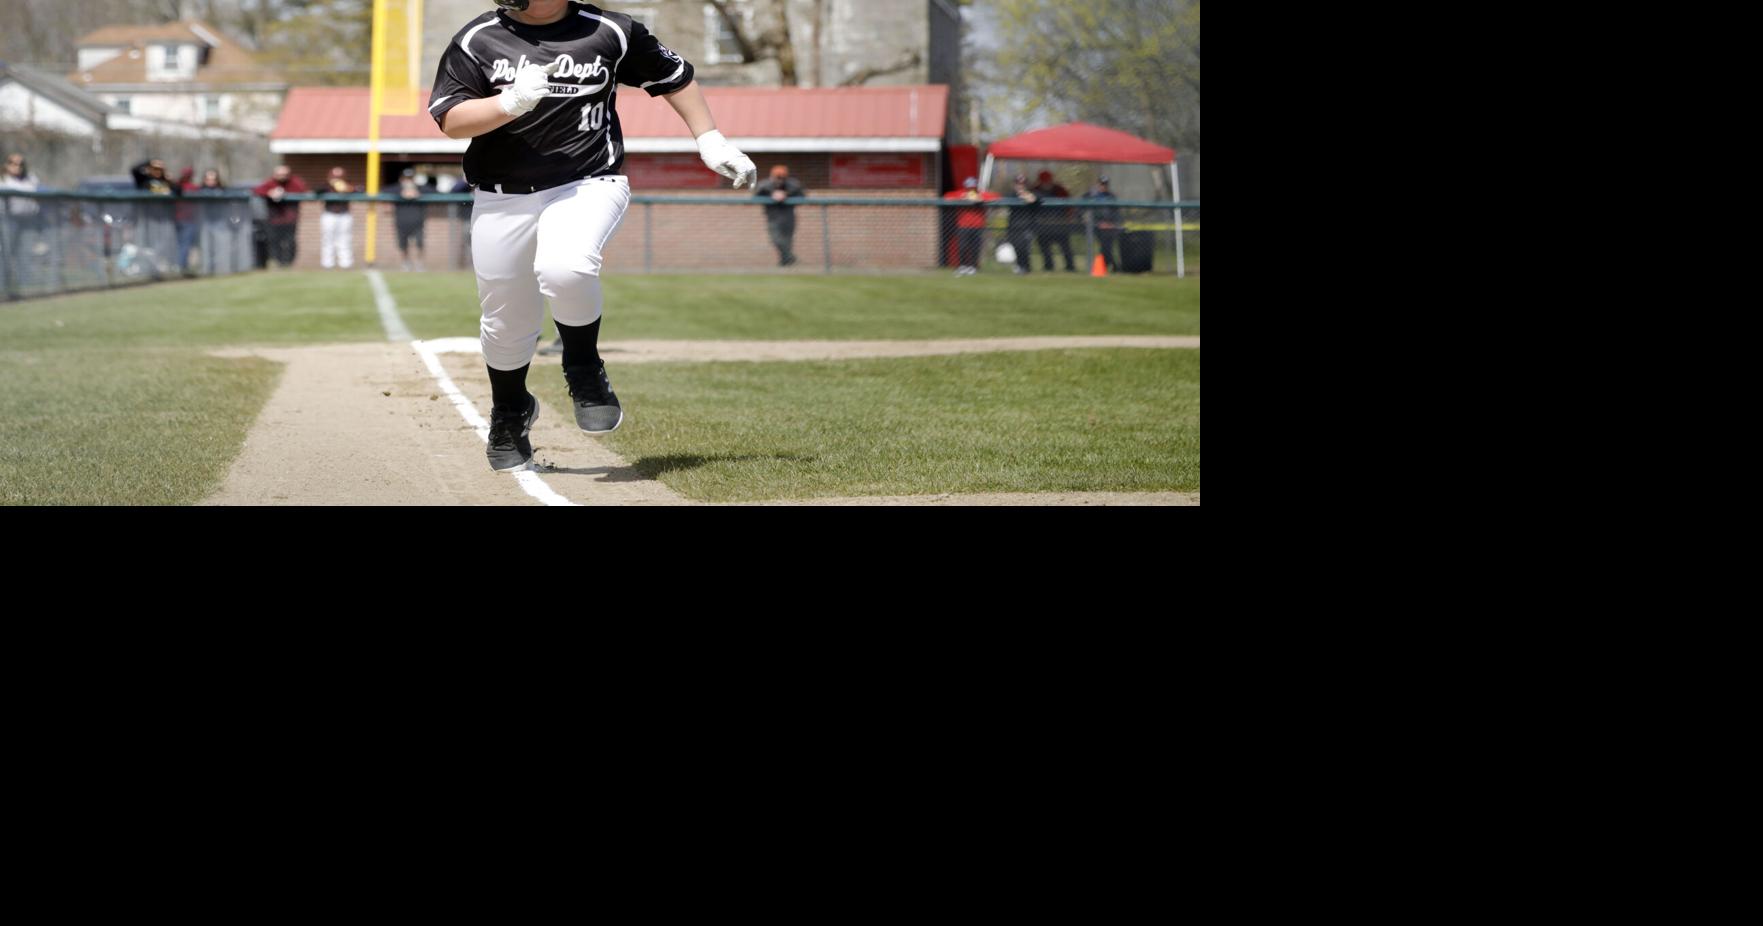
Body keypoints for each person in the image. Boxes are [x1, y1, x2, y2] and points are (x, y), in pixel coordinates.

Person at [430, 0, 755, 472]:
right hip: (502, 194)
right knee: (505, 319)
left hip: (587, 180)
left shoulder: (610, 30)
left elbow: (674, 76)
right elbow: (450, 121)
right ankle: (510, 409)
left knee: (566, 267)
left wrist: (709, 137)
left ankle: (583, 368)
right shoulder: (477, 37)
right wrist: (509, 102)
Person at [2, 153, 46, 293]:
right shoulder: (3, 180)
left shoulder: (30, 179)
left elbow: (40, 195)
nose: (18, 167)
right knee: (6, 253)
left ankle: (25, 285)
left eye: (21, 164)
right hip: (9, 221)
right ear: (7, 165)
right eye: (14, 163)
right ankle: (4, 284)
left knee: (25, 253)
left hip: (29, 221)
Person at [942, 177, 999, 276]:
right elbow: (946, 196)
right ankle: (962, 266)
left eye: (973, 187)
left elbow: (996, 197)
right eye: (969, 187)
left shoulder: (980, 193)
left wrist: (981, 199)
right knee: (962, 246)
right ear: (965, 187)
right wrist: (963, 197)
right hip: (963, 226)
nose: (971, 189)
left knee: (975, 248)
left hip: (978, 226)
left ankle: (973, 267)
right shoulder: (962, 193)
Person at [253, 165, 308, 268]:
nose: (282, 176)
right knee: (274, 241)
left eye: (285, 174)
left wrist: (285, 193)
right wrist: (269, 193)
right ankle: (278, 262)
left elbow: (303, 190)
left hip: (290, 219)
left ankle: (289, 263)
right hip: (274, 219)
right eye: (279, 174)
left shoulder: (294, 182)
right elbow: (256, 190)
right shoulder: (270, 183)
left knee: (290, 241)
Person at [131, 157, 180, 269]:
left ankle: (160, 265)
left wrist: (171, 180)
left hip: (164, 218)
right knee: (145, 244)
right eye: (155, 168)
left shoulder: (166, 181)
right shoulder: (144, 180)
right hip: (147, 218)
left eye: (160, 168)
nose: (157, 171)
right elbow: (134, 170)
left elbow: (179, 191)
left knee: (164, 242)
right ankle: (142, 266)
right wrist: (149, 162)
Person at [752, 164, 804, 266]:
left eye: (782, 177)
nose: (780, 180)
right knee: (775, 239)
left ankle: (784, 262)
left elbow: (801, 194)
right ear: (772, 176)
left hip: (788, 216)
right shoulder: (765, 184)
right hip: (772, 216)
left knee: (787, 240)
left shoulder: (792, 184)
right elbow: (756, 193)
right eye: (777, 177)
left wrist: (786, 194)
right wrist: (772, 193)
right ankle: (789, 257)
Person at [1031, 169, 1076, 272]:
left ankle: (1070, 266)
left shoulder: (1060, 190)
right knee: (1045, 247)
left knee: (1065, 247)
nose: (1046, 183)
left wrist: (1069, 218)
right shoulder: (1035, 190)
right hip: (1043, 224)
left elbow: (1069, 206)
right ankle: (1049, 266)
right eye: (1044, 181)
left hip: (1060, 224)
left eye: (1048, 180)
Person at [1083, 175, 1123, 272]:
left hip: (1109, 226)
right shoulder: (1089, 196)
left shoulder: (1111, 196)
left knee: (1106, 246)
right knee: (1105, 246)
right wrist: (1097, 222)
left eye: (1105, 185)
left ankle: (1109, 266)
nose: (1103, 187)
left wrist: (1112, 224)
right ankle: (1114, 266)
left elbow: (1116, 213)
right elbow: (1082, 211)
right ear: (1098, 184)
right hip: (1095, 226)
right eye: (1101, 184)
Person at [319, 166, 355, 269]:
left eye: (340, 176)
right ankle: (327, 264)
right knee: (327, 239)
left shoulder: (348, 185)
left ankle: (346, 263)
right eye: (335, 176)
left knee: (345, 239)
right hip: (329, 215)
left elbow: (359, 190)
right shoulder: (326, 186)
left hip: (344, 215)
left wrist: (347, 188)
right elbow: (316, 190)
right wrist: (330, 184)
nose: (338, 178)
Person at [394, 169, 428, 271]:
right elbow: (384, 189)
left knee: (419, 243)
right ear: (402, 179)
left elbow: (434, 190)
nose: (409, 181)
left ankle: (419, 264)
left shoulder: (421, 188)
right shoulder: (397, 189)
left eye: (411, 178)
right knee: (403, 244)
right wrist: (401, 193)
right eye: (406, 179)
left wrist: (418, 193)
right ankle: (405, 263)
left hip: (418, 222)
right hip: (401, 222)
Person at [1006, 174, 1039, 275]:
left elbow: (1035, 200)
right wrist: (1021, 195)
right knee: (1016, 247)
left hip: (1027, 226)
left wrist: (1027, 196)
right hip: (1013, 226)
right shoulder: (1012, 195)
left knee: (1024, 247)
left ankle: (1026, 267)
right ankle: (1020, 266)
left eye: (1023, 184)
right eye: (1018, 184)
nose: (1021, 186)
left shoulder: (1032, 193)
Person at [173, 167, 200, 276]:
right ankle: (181, 267)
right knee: (184, 244)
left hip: (182, 219)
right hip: (184, 220)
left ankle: (180, 266)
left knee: (182, 244)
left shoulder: (181, 186)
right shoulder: (181, 187)